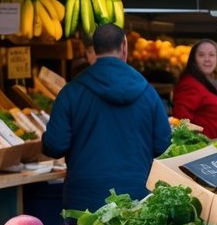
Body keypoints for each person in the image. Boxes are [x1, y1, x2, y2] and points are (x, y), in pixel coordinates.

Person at [43, 25, 171, 213]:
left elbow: (54, 146)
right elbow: (163, 146)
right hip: (136, 198)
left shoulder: (71, 92)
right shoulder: (148, 93)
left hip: (84, 201)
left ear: (94, 50)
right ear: (124, 46)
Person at [172, 39, 217, 139]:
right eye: (201, 55)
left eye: (212, 55)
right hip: (206, 151)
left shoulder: (209, 81)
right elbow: (181, 123)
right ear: (193, 59)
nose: (207, 59)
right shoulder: (189, 84)